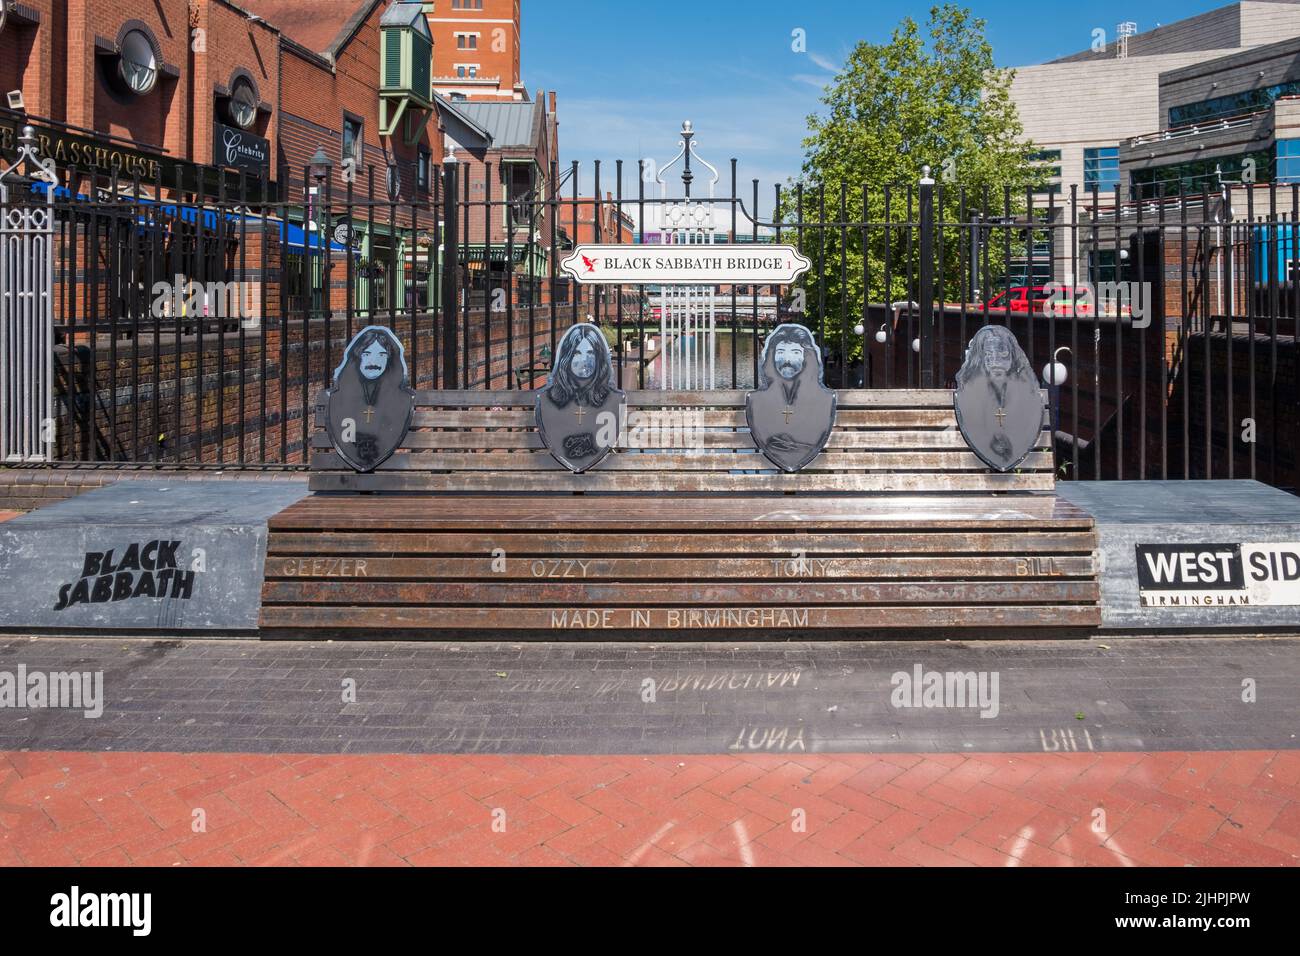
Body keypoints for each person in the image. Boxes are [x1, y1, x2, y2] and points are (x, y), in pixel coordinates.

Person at [746, 323, 837, 473]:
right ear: (771, 356)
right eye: (780, 352)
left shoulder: (826, 400)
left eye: (795, 352)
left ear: (807, 357)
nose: (787, 359)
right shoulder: (755, 401)